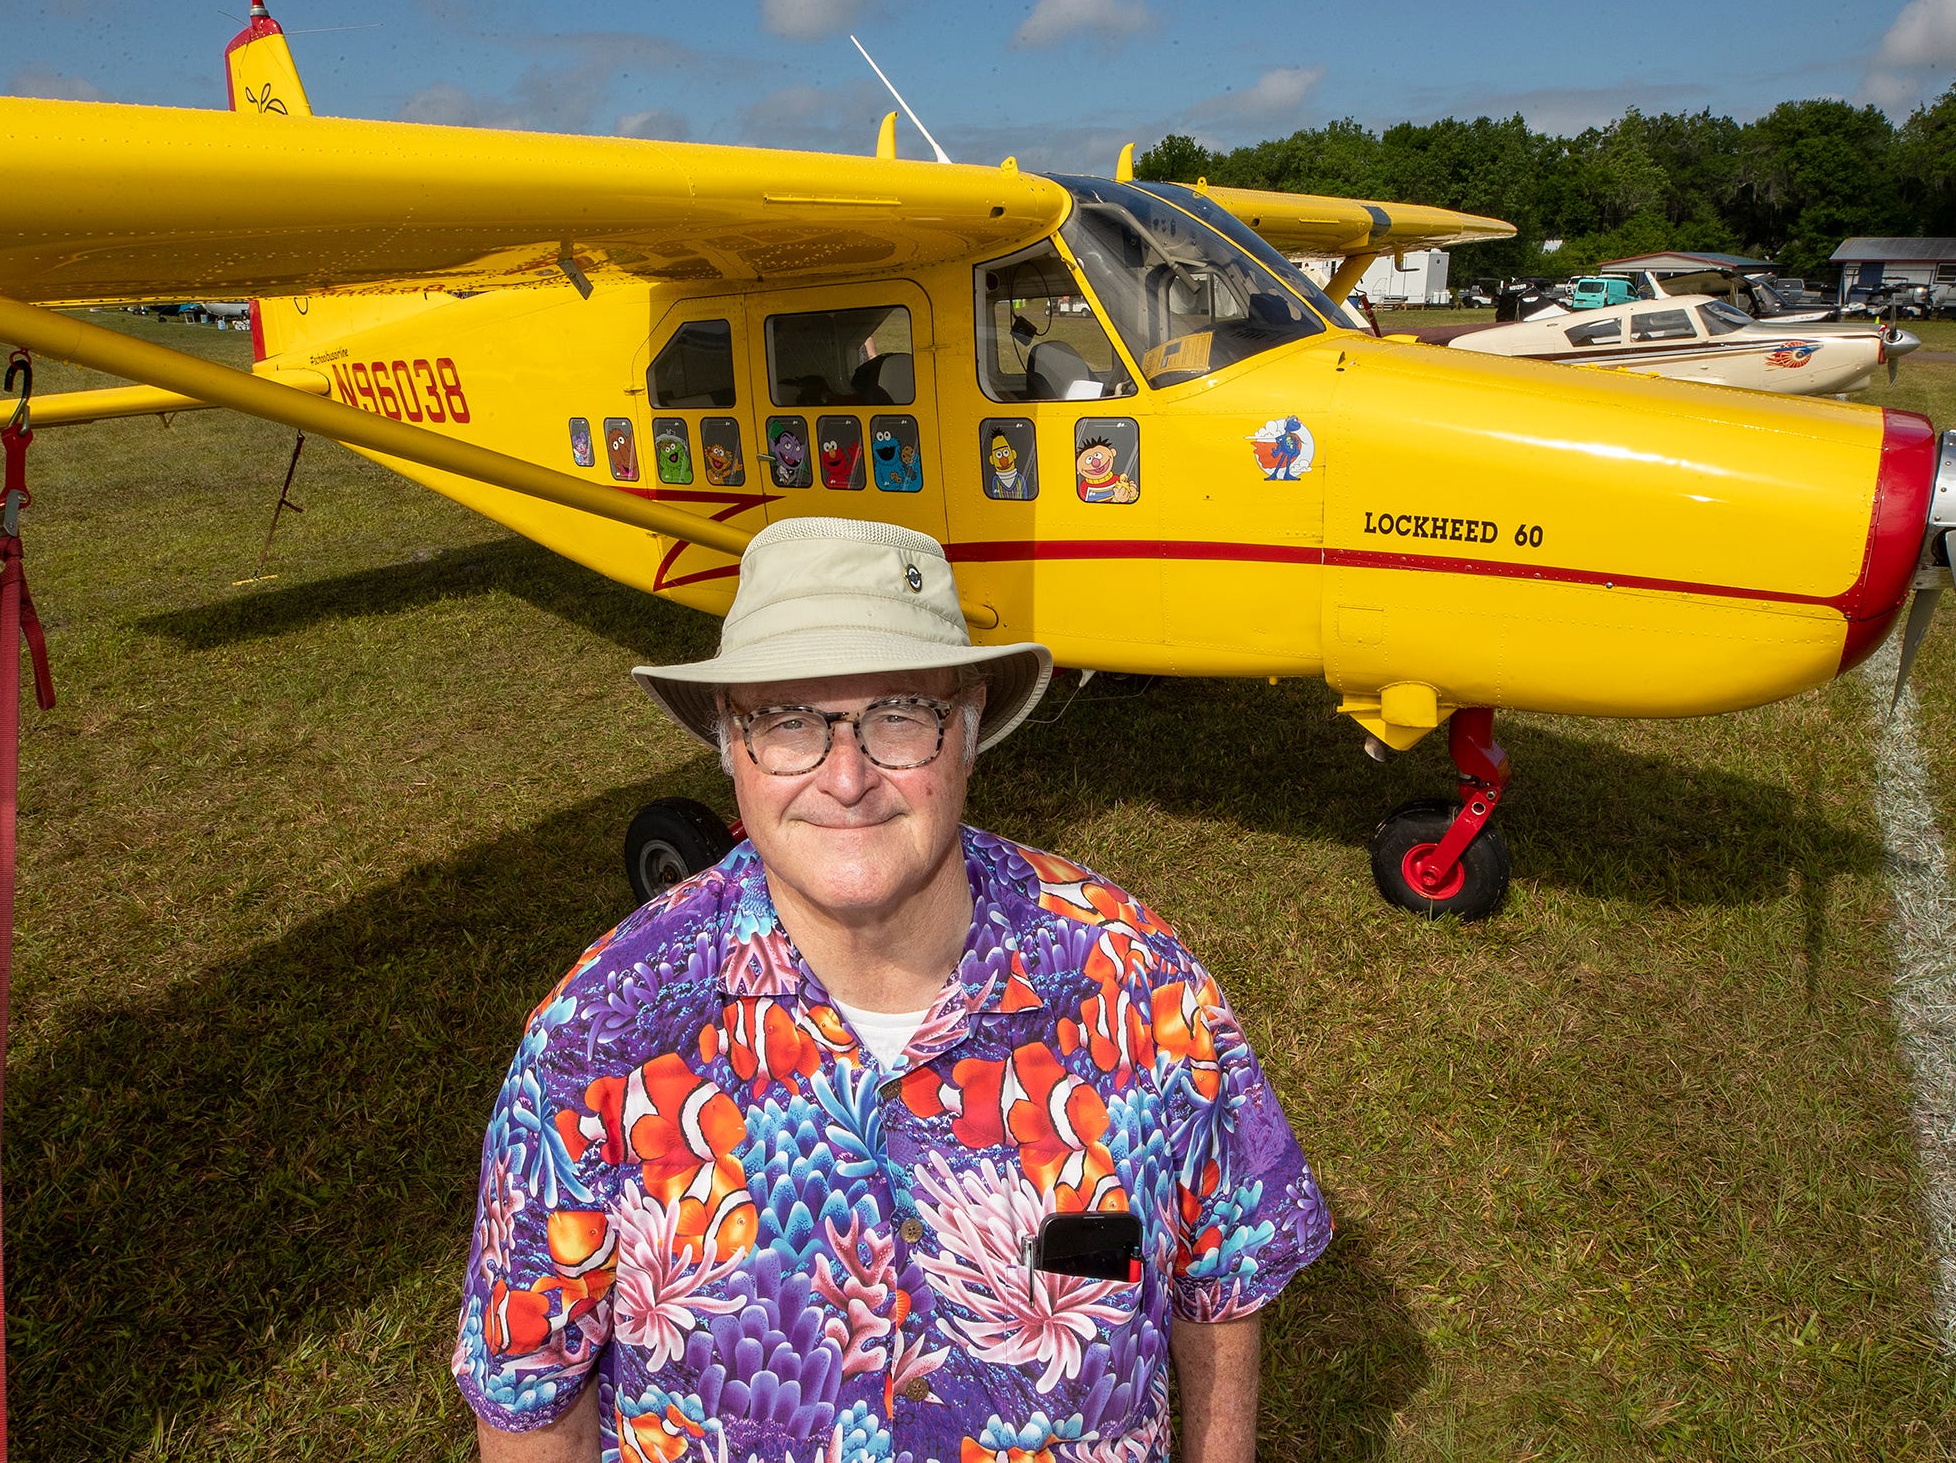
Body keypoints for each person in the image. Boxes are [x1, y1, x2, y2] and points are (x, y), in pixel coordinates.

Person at [457, 518, 1331, 1463]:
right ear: (730, 749)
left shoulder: (1140, 984)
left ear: (966, 735)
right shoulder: (597, 1041)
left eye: (899, 715)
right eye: (788, 720)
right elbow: (530, 1391)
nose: (847, 777)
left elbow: (1223, 1291)